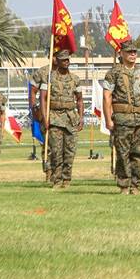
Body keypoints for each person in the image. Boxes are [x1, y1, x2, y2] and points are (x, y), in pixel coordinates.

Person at [102, 41, 140, 194]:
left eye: (134, 52)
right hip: (122, 119)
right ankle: (124, 185)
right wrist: (108, 119)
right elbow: (107, 97)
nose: (132, 54)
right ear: (121, 54)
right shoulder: (113, 73)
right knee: (123, 153)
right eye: (129, 52)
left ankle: (136, 184)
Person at [41, 49, 84, 189]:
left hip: (71, 118)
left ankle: (67, 179)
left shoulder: (75, 79)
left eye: (68, 59)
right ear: (57, 61)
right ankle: (57, 179)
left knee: (70, 151)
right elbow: (43, 98)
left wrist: (81, 118)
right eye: (63, 59)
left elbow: (79, 100)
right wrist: (45, 117)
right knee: (56, 151)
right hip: (54, 117)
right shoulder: (49, 78)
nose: (66, 62)